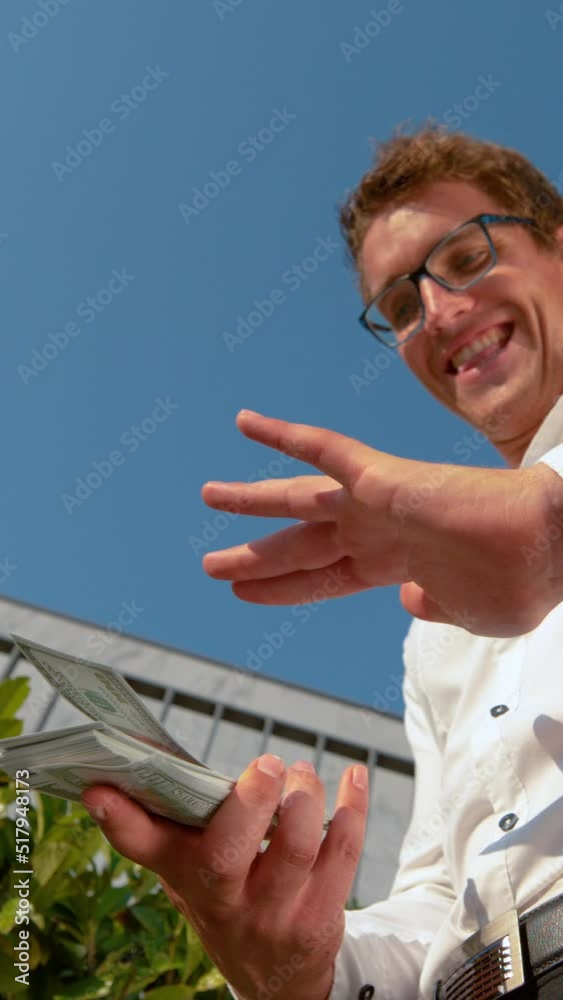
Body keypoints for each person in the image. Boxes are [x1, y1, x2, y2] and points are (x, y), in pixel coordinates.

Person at [81, 124, 563, 1000]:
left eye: (464, 256)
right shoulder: (435, 632)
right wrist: (305, 953)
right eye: (403, 306)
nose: (440, 316)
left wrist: (550, 521)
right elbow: (436, 899)